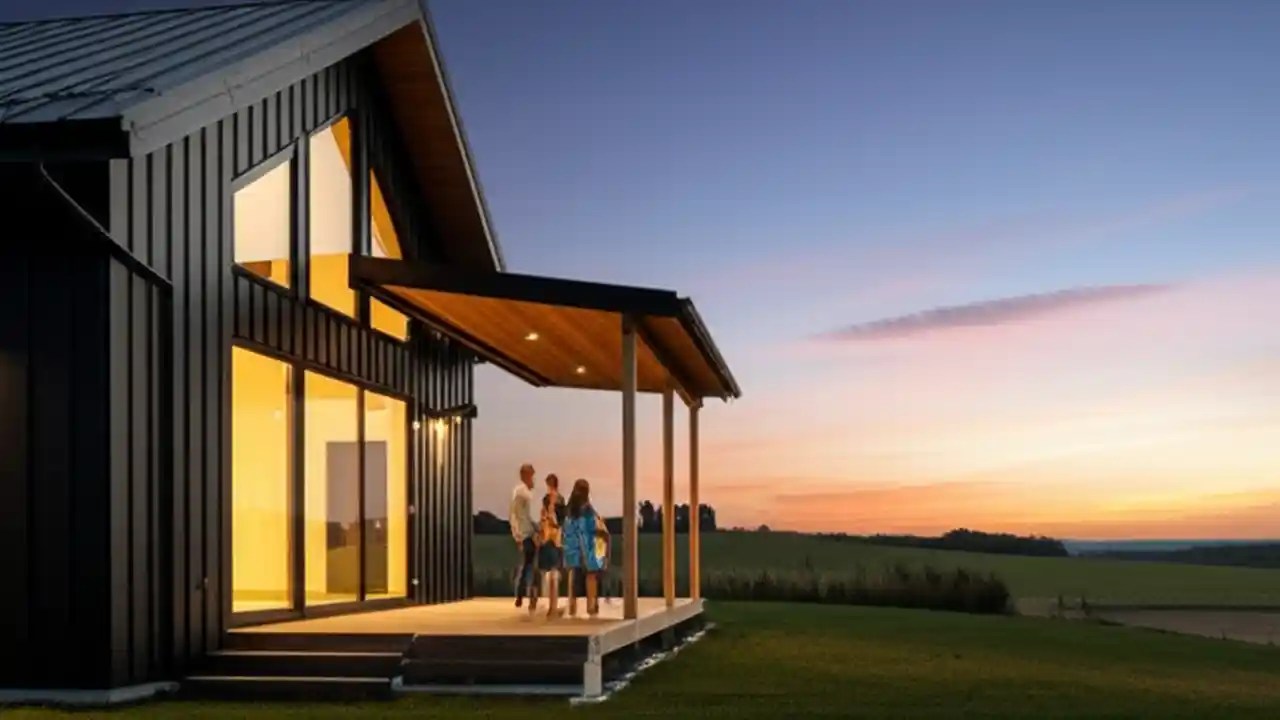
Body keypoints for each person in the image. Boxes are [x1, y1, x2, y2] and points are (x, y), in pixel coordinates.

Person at [562, 478, 609, 617]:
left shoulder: (570, 510)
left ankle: (572, 606)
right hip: (589, 545)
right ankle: (591, 605)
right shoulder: (588, 510)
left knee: (573, 575)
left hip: (572, 546)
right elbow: (593, 528)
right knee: (591, 575)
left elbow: (567, 529)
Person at [535, 473, 567, 618]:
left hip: (549, 539)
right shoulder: (559, 500)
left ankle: (552, 606)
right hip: (555, 540)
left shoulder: (550, 500)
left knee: (550, 574)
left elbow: (551, 521)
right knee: (554, 573)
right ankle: (552, 606)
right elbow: (560, 522)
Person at [509, 463, 538, 608]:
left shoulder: (523, 491)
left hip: (527, 533)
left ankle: (523, 595)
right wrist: (518, 535)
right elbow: (518, 515)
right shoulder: (522, 492)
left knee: (528, 564)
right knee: (529, 565)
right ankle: (527, 594)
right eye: (531, 475)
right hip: (527, 533)